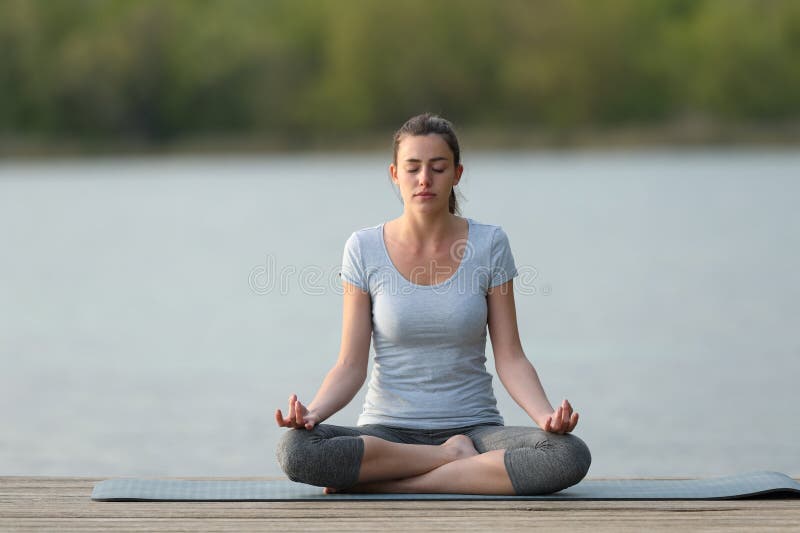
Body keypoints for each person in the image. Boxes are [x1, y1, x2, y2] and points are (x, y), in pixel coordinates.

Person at [275, 113, 590, 495]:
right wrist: (313, 413)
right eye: (412, 168)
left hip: (476, 430)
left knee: (567, 454)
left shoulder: (489, 244)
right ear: (395, 174)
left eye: (438, 168)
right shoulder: (364, 247)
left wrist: (545, 417)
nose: (424, 179)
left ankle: (386, 486)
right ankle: (451, 461)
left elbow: (511, 356)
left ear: (456, 174)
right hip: (387, 432)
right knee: (296, 450)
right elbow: (350, 364)